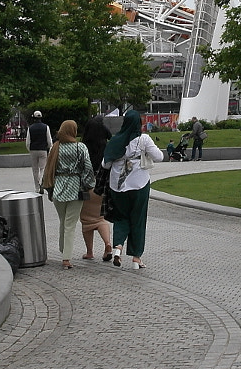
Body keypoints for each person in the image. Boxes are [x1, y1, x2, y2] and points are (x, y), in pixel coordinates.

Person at [103, 111, 163, 269]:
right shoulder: (143, 139)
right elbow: (159, 157)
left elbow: (105, 164)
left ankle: (118, 247)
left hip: (118, 186)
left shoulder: (116, 140)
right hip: (139, 184)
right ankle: (136, 258)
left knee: (121, 217)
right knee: (138, 218)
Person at [42, 119, 92, 268]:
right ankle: (66, 258)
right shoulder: (80, 147)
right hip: (75, 188)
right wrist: (88, 185)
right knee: (70, 223)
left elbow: (48, 168)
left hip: (58, 187)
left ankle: (63, 249)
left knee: (63, 221)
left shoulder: (55, 148)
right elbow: (87, 168)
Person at [26, 111, 53, 186]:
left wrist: (30, 149)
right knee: (43, 168)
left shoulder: (30, 128)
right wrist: (48, 148)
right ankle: (41, 181)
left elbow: (28, 142)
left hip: (33, 150)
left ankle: (37, 187)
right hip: (43, 150)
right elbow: (49, 141)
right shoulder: (46, 127)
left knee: (35, 169)